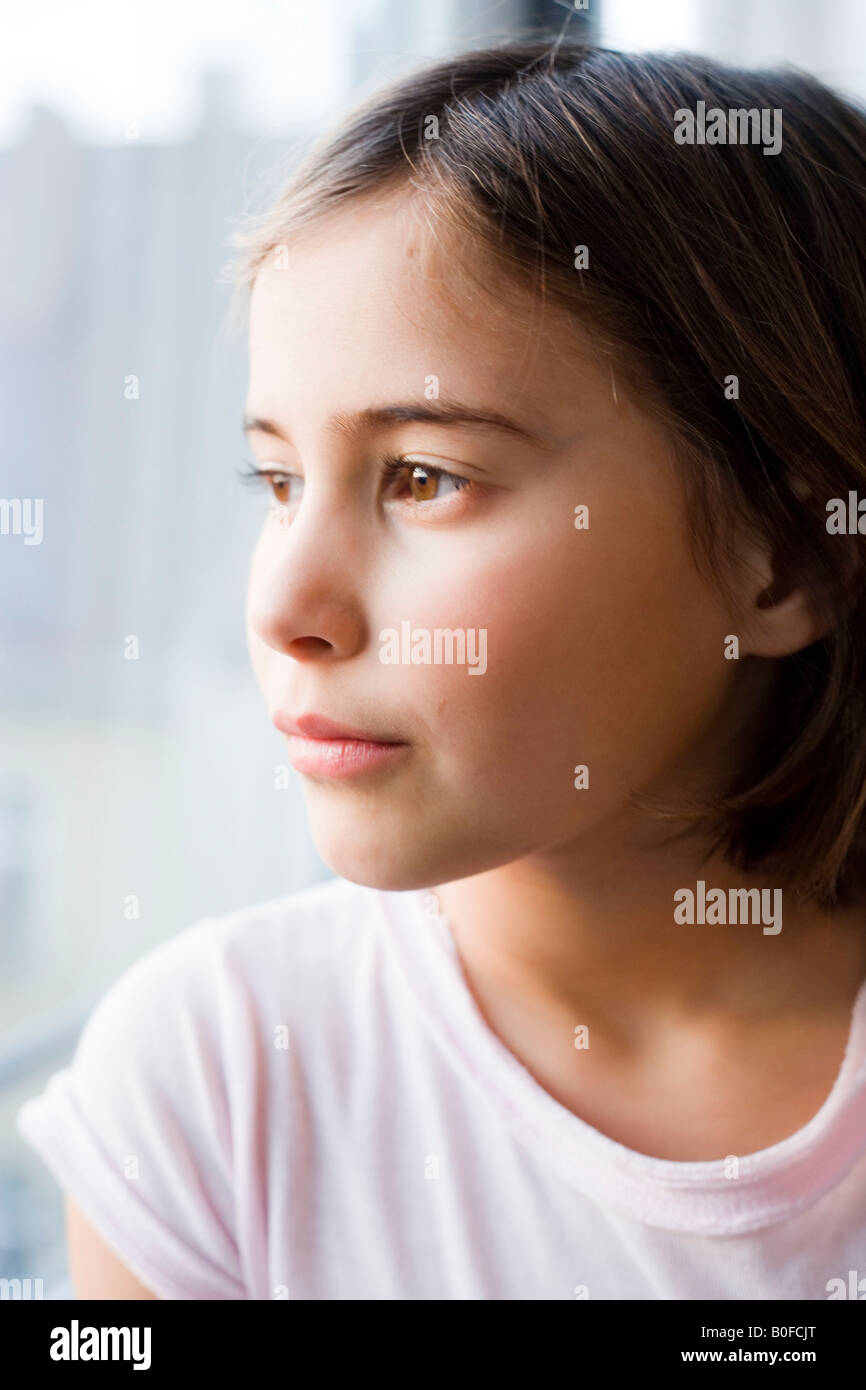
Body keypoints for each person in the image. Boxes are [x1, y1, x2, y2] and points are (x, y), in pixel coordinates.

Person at [17, 38, 866, 1300]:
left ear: (787, 559)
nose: (284, 606)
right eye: (277, 480)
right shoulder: (212, 1086)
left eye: (424, 478)